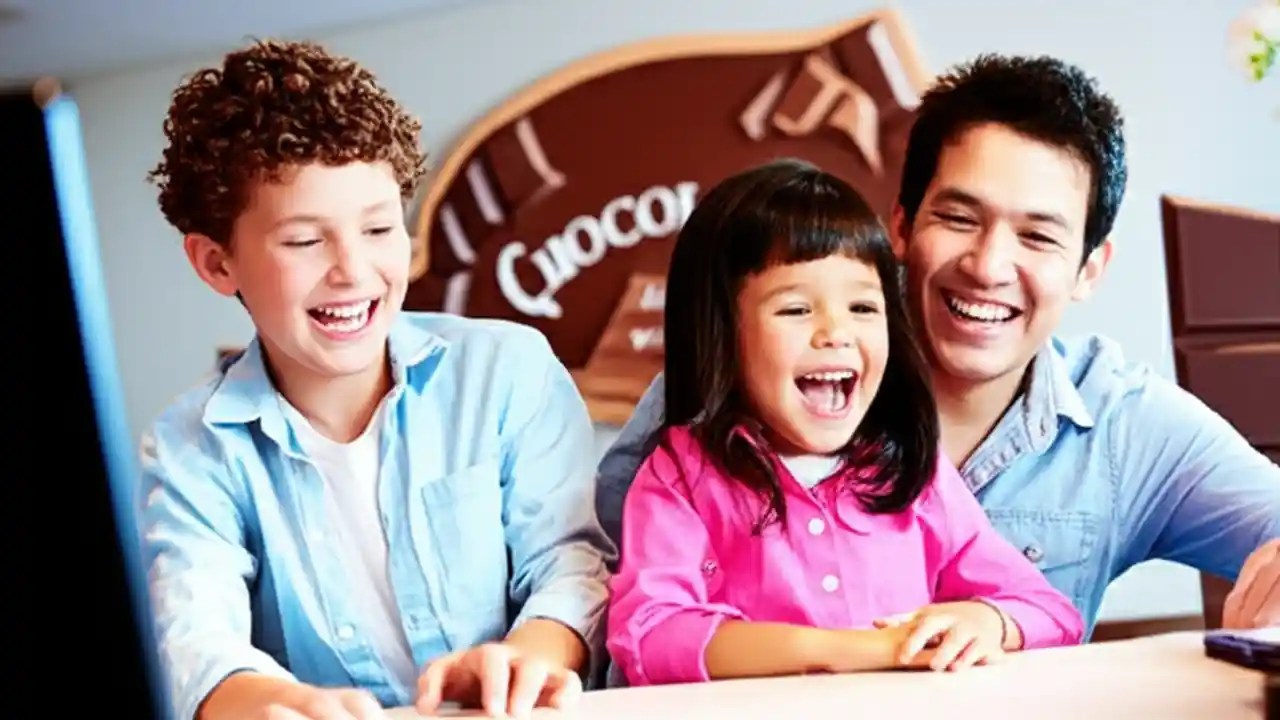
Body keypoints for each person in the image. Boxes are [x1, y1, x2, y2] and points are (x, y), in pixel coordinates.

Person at [598, 54, 1280, 639]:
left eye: (1037, 237)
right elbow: (613, 606)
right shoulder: (741, 382)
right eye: (958, 218)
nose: (987, 266)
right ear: (900, 225)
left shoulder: (1127, 426)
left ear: (1089, 269)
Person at [138, 39, 614, 720]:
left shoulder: (508, 371)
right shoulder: (191, 447)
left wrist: (525, 658)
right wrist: (280, 703)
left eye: (379, 228)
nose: (354, 271)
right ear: (217, 263)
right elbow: (198, 646)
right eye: (305, 241)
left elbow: (571, 566)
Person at [605, 159, 1083, 687]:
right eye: (795, 310)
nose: (836, 332)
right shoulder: (680, 476)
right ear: (720, 333)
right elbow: (651, 636)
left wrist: (987, 621)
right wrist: (844, 650)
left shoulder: (914, 473)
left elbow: (1050, 610)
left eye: (862, 307)